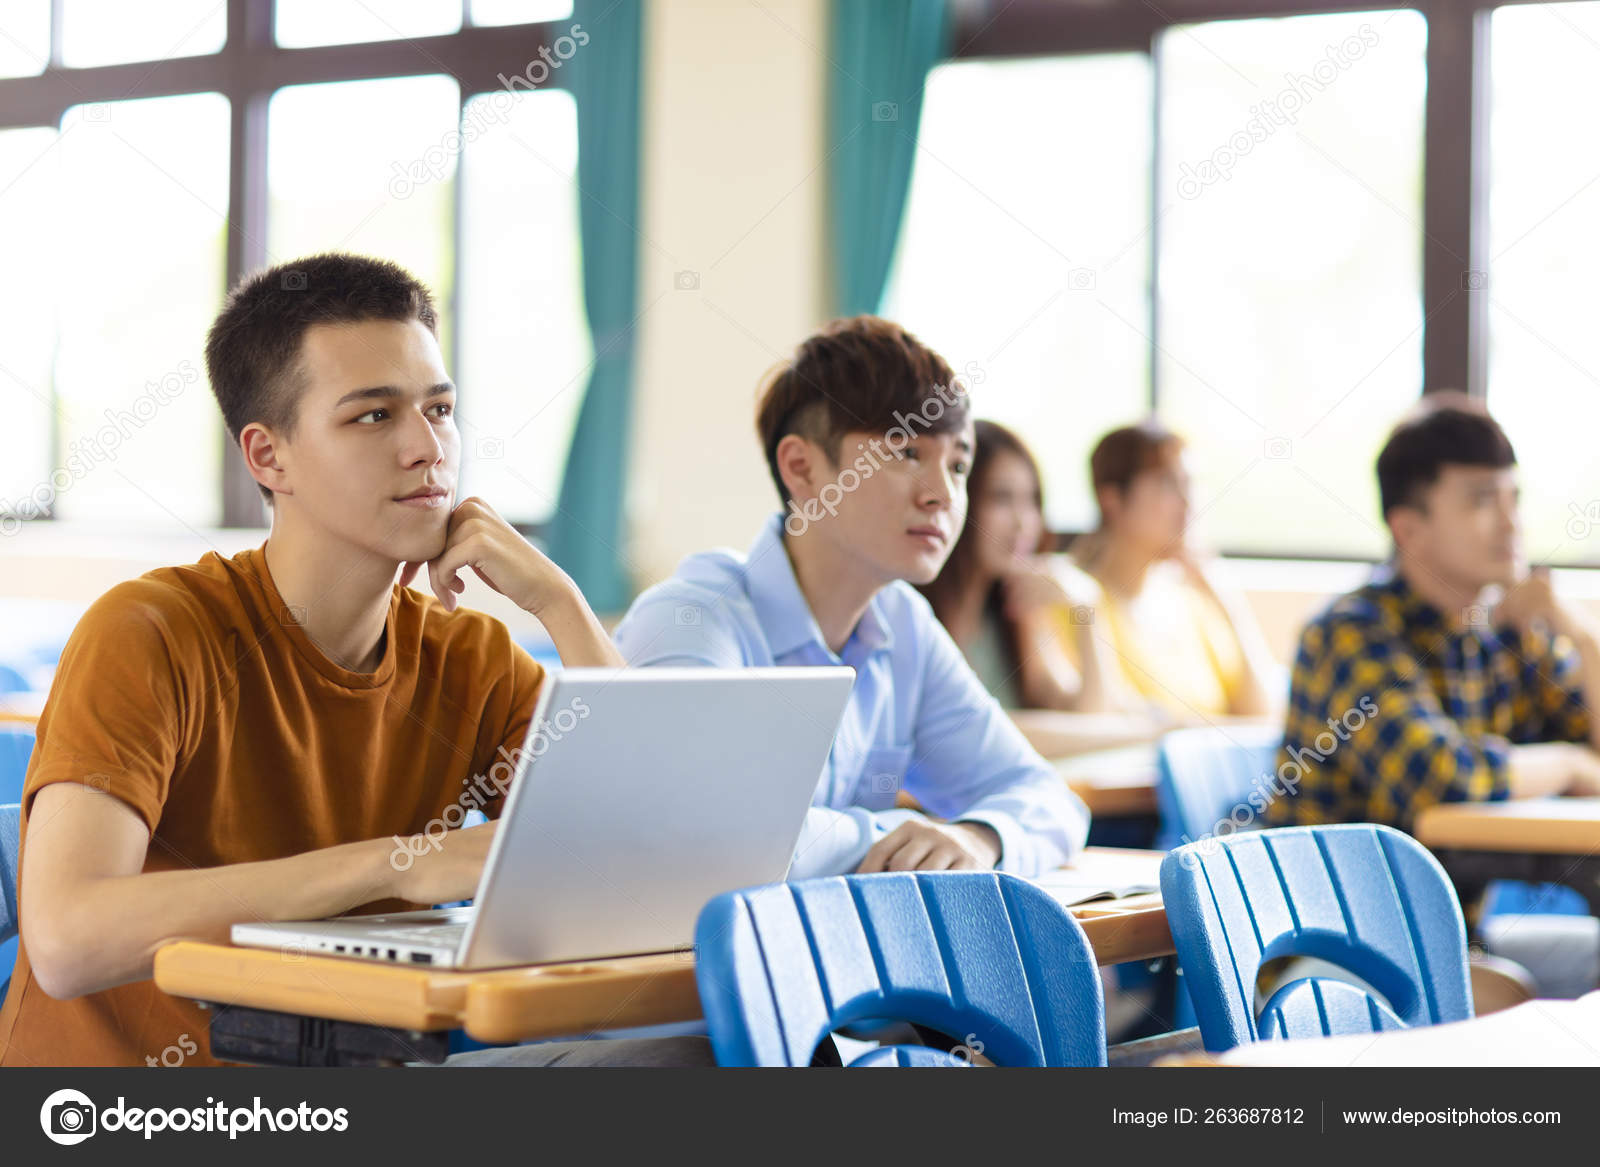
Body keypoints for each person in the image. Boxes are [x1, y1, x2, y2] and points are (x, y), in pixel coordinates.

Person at [0, 253, 712, 1068]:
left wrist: (560, 602)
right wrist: (400, 865)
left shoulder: (468, 656)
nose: (427, 448)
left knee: (681, 1064)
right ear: (268, 458)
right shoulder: (152, 632)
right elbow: (65, 940)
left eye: (439, 409)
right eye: (373, 416)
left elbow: (652, 866)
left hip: (341, 1083)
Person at [612, 316, 1089, 880]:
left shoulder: (902, 622)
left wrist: (981, 837)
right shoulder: (694, 619)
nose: (942, 494)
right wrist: (901, 841)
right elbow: (712, 835)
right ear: (802, 468)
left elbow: (1047, 799)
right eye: (906, 453)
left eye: (958, 465)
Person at [1265, 394, 1600, 833]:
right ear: (1409, 529)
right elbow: (1438, 777)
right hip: (1336, 898)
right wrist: (1569, 764)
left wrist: (1580, 633)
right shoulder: (1348, 631)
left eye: (1512, 498)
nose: (1511, 523)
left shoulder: (1509, 628)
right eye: (1482, 501)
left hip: (1453, 895)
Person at [1066, 420, 1280, 725]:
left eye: (1190, 483)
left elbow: (1262, 711)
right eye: (1167, 483)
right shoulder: (1076, 602)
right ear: (1111, 498)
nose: (1187, 501)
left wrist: (1226, 599)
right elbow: (1113, 721)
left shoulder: (1192, 600)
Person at [916, 419, 1126, 714]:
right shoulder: (916, 616)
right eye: (1001, 499)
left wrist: (1086, 608)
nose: (1023, 522)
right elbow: (976, 736)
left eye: (1032, 500)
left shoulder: (1012, 613)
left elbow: (1088, 712)